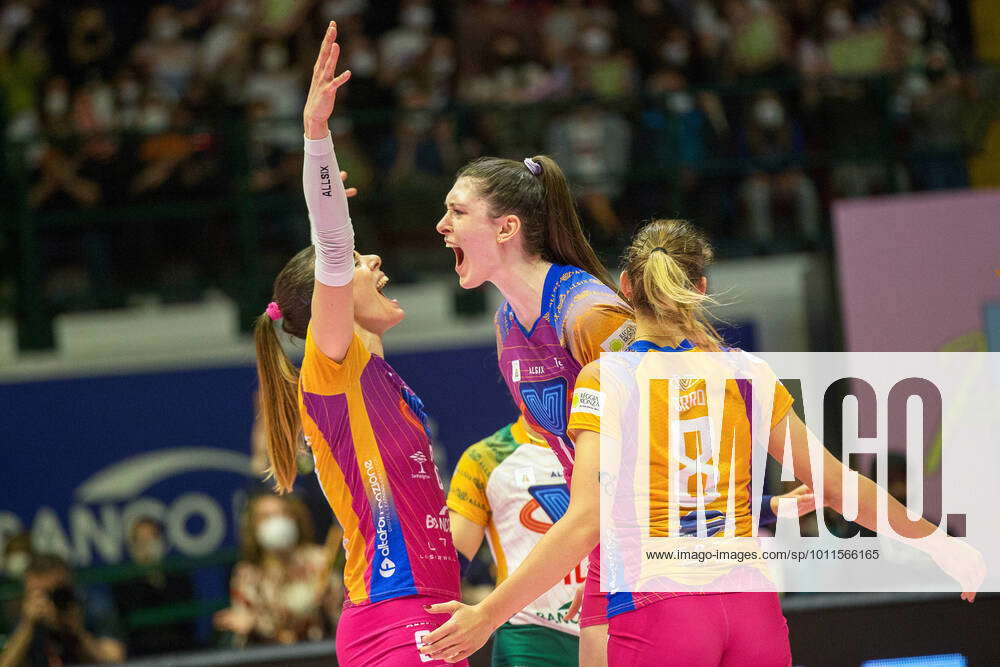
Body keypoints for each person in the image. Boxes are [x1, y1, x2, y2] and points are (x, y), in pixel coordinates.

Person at [418, 219, 984, 665]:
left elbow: (587, 519)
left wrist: (488, 615)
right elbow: (836, 486)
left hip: (657, 609)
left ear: (626, 288)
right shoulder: (746, 373)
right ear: (701, 289)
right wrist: (942, 544)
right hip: (752, 613)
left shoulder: (608, 377)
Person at [252, 22, 461, 666]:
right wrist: (316, 135)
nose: (378, 262)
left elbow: (338, 254)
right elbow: (336, 256)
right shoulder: (328, 365)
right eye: (360, 262)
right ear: (325, 305)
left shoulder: (371, 367)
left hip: (431, 612)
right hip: (392, 617)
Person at [447, 416, 810, 667]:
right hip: (534, 633)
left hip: (618, 617)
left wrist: (768, 507)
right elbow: (451, 558)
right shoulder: (484, 458)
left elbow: (678, 515)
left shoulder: (623, 442)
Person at [213, 494, 336, 646]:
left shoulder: (321, 562)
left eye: (283, 513)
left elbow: (339, 615)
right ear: (253, 526)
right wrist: (254, 626)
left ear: (295, 518)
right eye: (266, 516)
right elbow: (246, 621)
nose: (277, 521)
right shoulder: (246, 575)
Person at [0, 555, 125, 667]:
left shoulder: (93, 606)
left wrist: (76, 631)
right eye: (39, 595)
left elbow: (114, 661)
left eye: (55, 594)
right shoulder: (29, 617)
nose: (48, 603)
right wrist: (27, 627)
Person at [112, 517, 197, 656]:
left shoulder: (179, 578)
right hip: (143, 655)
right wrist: (146, 575)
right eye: (139, 541)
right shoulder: (123, 586)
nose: (145, 547)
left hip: (181, 650)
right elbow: (131, 628)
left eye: (150, 540)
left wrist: (156, 578)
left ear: (161, 542)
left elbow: (186, 623)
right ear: (132, 547)